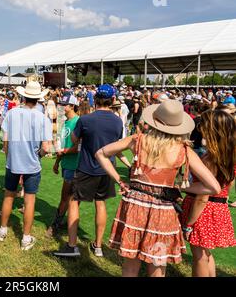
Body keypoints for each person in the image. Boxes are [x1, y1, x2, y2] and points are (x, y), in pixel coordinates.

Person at [95, 99, 221, 277]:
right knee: (158, 266)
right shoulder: (184, 151)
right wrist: (182, 188)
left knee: (131, 265)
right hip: (163, 214)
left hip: (135, 208)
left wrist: (119, 180)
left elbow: (101, 153)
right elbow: (213, 187)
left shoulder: (137, 140)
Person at [53, 84, 126, 258]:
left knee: (74, 202)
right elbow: (117, 144)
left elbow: (73, 139)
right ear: (113, 100)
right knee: (100, 204)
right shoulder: (117, 121)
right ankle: (98, 246)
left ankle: (72, 246)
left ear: (95, 99)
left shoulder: (86, 120)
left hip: (86, 168)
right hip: (107, 169)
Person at [0, 81, 53, 250]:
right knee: (29, 200)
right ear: (38, 99)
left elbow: (5, 141)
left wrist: (9, 156)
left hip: (13, 163)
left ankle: (2, 230)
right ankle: (25, 238)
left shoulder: (12, 113)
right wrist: (39, 155)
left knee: (8, 195)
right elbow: (46, 147)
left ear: (23, 96)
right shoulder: (43, 119)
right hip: (32, 165)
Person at [180, 110, 236, 277]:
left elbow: (203, 196)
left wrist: (189, 223)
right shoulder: (227, 153)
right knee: (205, 253)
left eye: (203, 125)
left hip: (204, 209)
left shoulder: (213, 157)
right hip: (217, 207)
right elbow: (228, 185)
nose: (200, 127)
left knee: (199, 257)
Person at [47, 92, 80, 237]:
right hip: (66, 164)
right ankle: (66, 223)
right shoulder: (64, 123)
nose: (61, 107)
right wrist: (57, 162)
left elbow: (78, 147)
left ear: (72, 106)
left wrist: (64, 153)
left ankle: (56, 225)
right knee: (69, 198)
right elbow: (61, 146)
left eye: (64, 104)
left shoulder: (78, 122)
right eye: (61, 104)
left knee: (67, 198)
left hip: (75, 165)